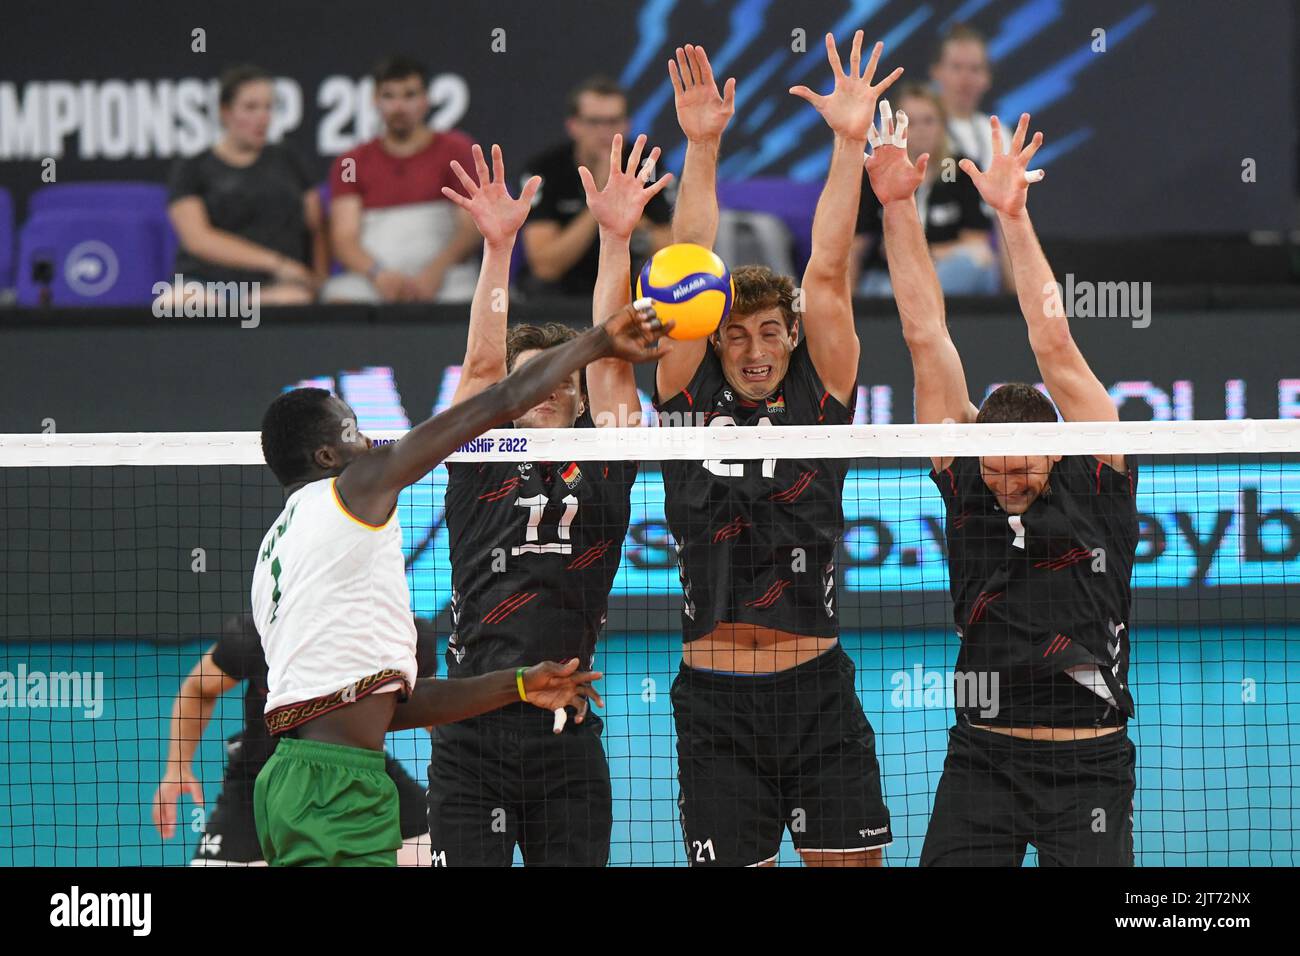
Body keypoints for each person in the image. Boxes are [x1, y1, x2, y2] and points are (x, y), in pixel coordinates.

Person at [249, 294, 671, 866]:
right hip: (336, 787)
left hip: (298, 778)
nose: (371, 439)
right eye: (352, 431)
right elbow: (498, 396)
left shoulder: (279, 544)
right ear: (327, 455)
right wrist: (600, 338)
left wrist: (519, 684)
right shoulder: (357, 487)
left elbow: (395, 708)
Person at [865, 106, 1138, 866]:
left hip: (1087, 763)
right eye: (996, 463)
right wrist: (895, 208)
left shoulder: (1099, 480)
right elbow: (926, 335)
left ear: (1056, 450)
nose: (1008, 476)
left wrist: (1012, 217)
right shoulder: (969, 484)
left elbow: (1053, 340)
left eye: (1023, 462)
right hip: (982, 758)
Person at [652, 37, 895, 867]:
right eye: (736, 338)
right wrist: (703, 145)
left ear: (791, 338)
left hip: (817, 690)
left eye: (769, 334)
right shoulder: (686, 395)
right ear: (713, 346)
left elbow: (825, 272)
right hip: (715, 703)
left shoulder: (821, 389)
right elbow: (685, 266)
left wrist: (848, 142)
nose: (754, 351)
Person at [425, 140, 673, 865]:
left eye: (563, 381)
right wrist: (499, 247)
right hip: (472, 729)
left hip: (567, 730)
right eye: (532, 382)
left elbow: (616, 358)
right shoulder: (476, 456)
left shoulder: (606, 459)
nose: (553, 389)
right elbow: (481, 368)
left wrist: (616, 236)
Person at [150, 612, 436, 866]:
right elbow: (199, 689)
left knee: (443, 842)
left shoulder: (399, 633)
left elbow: (433, 713)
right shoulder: (262, 632)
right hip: (259, 790)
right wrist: (178, 767)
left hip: (360, 780)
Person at [322, 56, 482, 304]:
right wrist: (379, 275)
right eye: (389, 96)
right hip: (374, 278)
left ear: (426, 100)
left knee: (481, 301)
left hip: (446, 276)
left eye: (409, 95)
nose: (399, 107)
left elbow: (471, 227)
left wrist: (435, 271)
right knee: (338, 299)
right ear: (374, 100)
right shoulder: (350, 162)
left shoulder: (457, 150)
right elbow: (344, 239)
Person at [163, 65, 325, 308]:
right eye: (250, 107)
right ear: (225, 112)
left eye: (268, 107)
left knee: (293, 302)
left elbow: (317, 226)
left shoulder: (289, 160)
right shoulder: (193, 167)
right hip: (208, 284)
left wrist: (318, 280)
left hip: (277, 288)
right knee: (175, 303)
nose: (262, 117)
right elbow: (197, 239)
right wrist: (277, 263)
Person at [520, 76, 673, 296]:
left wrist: (629, 217)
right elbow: (545, 267)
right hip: (560, 294)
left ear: (627, 124)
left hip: (629, 290)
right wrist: (599, 203)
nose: (604, 132)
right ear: (573, 126)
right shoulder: (545, 169)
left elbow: (671, 252)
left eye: (613, 122)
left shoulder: (647, 163)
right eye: (593, 122)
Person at [852, 84, 998, 296]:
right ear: (894, 128)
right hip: (888, 279)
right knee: (883, 290)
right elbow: (856, 246)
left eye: (929, 120)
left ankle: (921, 302)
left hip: (945, 275)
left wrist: (923, 255)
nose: (921, 129)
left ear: (943, 124)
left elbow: (976, 246)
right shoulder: (875, 171)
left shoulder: (963, 170)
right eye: (910, 122)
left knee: (977, 264)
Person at [930, 24, 1004, 173]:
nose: (966, 79)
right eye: (956, 67)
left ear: (987, 77)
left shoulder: (1000, 134)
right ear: (936, 72)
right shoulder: (909, 128)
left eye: (975, 69)